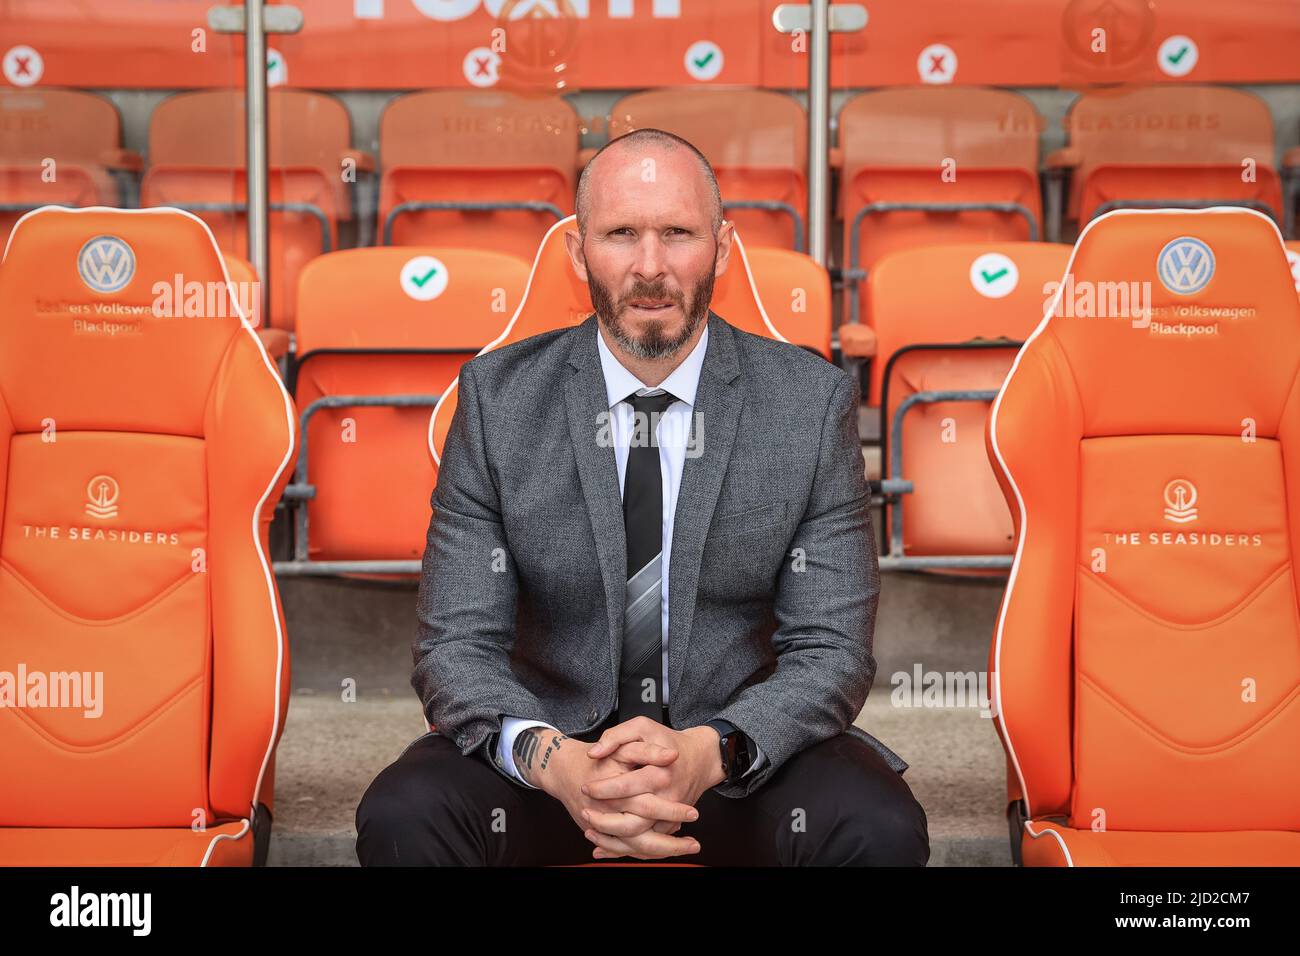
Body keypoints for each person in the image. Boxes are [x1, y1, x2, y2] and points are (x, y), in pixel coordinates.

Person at [355, 128, 929, 866]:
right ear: (577, 253)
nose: (651, 268)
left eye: (678, 234)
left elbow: (831, 650)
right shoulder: (498, 401)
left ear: (721, 248)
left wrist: (708, 751)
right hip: (554, 763)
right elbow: (456, 646)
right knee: (406, 813)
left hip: (739, 763)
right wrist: (558, 763)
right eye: (621, 233)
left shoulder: (808, 404)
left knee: (876, 827)